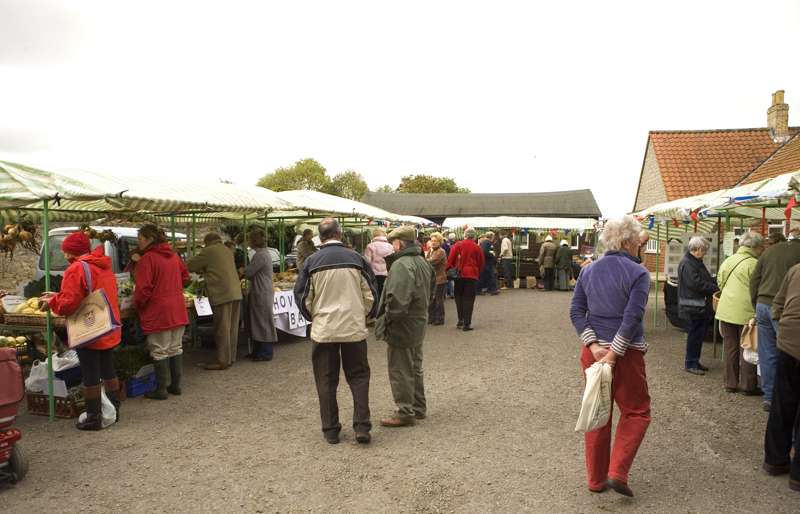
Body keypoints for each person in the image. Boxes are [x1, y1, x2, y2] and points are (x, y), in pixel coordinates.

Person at [569, 216, 651, 497]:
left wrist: (593, 347)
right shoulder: (639, 273)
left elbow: (576, 312)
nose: (640, 244)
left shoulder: (588, 271)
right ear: (628, 241)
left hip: (593, 354)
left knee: (597, 411)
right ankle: (617, 471)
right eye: (638, 239)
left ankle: (595, 480)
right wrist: (615, 353)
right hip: (626, 355)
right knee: (637, 411)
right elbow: (632, 317)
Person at [294, 218, 378, 445]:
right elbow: (371, 293)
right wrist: (363, 315)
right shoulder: (357, 259)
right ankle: (362, 427)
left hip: (324, 329)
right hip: (353, 328)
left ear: (320, 237)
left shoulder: (311, 262)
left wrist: (315, 318)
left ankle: (331, 430)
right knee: (359, 377)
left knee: (325, 379)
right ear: (340, 234)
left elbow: (302, 297)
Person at [41, 231, 122, 430]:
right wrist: (58, 295)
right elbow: (87, 291)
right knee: (108, 370)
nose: (65, 256)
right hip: (107, 326)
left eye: (65, 252)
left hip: (89, 329)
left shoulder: (76, 268)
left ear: (70, 252)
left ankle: (94, 417)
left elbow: (68, 304)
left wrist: (52, 302)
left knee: (90, 375)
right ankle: (114, 409)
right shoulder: (103, 265)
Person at [375, 226, 434, 427]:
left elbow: (397, 301)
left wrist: (388, 320)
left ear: (399, 243)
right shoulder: (422, 262)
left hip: (403, 324)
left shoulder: (401, 264)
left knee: (400, 368)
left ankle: (405, 411)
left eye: (393, 243)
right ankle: (418, 407)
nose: (392, 246)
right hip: (418, 321)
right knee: (415, 366)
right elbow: (432, 289)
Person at [133, 224, 190, 400]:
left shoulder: (148, 259)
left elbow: (143, 289)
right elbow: (185, 278)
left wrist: (138, 304)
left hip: (158, 310)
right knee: (175, 347)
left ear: (149, 239)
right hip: (177, 308)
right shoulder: (174, 256)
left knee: (159, 350)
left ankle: (161, 389)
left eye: (141, 238)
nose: (139, 242)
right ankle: (175, 385)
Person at [750, 228, 800, 411]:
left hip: (763, 304)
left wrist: (754, 303)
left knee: (767, 353)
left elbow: (754, 279)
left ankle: (769, 398)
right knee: (790, 354)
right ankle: (787, 399)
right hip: (785, 309)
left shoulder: (769, 251)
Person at [763, 262, 800, 492]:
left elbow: (777, 305)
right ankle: (797, 476)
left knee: (782, 402)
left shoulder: (795, 269)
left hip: (788, 342)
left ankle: (774, 461)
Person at [715, 232, 763, 394]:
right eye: (760, 247)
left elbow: (720, 282)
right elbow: (758, 288)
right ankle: (748, 386)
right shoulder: (755, 264)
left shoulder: (729, 260)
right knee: (748, 347)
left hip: (726, 310)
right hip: (746, 313)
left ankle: (730, 383)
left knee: (730, 347)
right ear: (754, 247)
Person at [187, 232, 243, 370]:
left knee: (222, 328)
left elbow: (190, 266)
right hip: (235, 292)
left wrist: (203, 268)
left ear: (207, 242)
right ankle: (231, 357)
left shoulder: (209, 250)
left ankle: (222, 361)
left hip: (222, 293)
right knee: (232, 327)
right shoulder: (227, 250)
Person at [678, 236, 719, 376]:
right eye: (704, 250)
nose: (705, 252)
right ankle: (690, 363)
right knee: (694, 335)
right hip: (693, 305)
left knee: (697, 335)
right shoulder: (689, 263)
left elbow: (702, 280)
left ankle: (694, 361)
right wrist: (714, 287)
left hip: (697, 304)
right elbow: (695, 284)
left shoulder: (694, 261)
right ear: (697, 249)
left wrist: (714, 281)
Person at [244, 228, 278, 362]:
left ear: (254, 240)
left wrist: (243, 270)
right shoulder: (263, 253)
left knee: (262, 321)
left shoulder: (260, 255)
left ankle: (265, 352)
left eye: (250, 239)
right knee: (258, 321)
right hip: (261, 290)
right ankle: (258, 351)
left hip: (261, 291)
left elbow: (249, 272)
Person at [446, 229, 485, 331]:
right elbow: (481, 262)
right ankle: (467, 324)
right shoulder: (477, 247)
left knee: (458, 297)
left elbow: (450, 259)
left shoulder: (457, 245)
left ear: (464, 235)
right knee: (469, 299)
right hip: (471, 275)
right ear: (474, 237)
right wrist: (477, 272)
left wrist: (447, 270)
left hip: (459, 275)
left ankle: (460, 320)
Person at [364, 228, 394, 300]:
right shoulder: (390, 246)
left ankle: (376, 308)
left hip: (375, 275)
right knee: (385, 292)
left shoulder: (370, 246)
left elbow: (367, 262)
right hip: (387, 274)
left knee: (376, 293)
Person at [426, 232, 447, 325]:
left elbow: (431, 262)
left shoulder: (441, 251)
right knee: (431, 299)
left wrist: (425, 260)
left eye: (435, 241)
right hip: (432, 278)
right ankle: (431, 317)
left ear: (440, 242)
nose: (433, 242)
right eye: (432, 240)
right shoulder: (431, 251)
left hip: (440, 278)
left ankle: (439, 318)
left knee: (438, 299)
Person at [446, 233, 457, 298]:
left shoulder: (448, 245)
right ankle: (452, 293)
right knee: (452, 279)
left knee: (450, 279)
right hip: (454, 263)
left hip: (449, 263)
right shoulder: (455, 245)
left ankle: (451, 293)